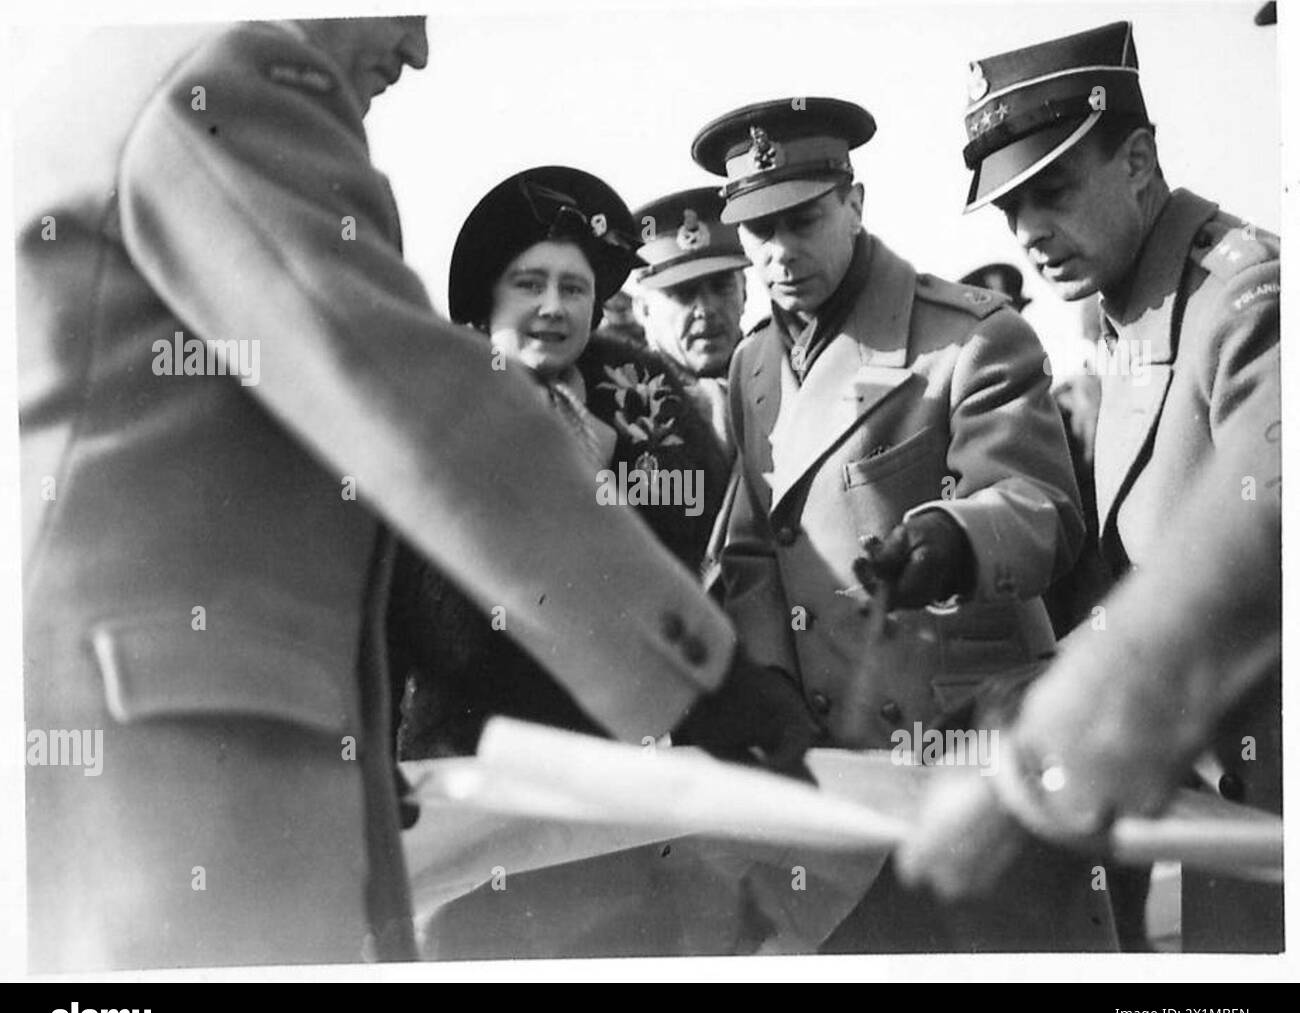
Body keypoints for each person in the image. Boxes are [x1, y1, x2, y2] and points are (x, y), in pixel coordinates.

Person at [18, 18, 809, 971]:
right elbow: (404, 395)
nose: (420, 50)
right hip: (182, 755)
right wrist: (698, 673)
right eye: (407, 7)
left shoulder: (100, 65)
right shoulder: (230, 73)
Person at [692, 97, 1112, 951]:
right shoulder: (751, 367)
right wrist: (769, 683)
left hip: (960, 752)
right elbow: (747, 550)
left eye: (804, 220)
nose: (780, 253)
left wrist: (955, 538)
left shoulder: (969, 337)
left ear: (855, 202)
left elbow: (1041, 508)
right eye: (758, 231)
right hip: (825, 762)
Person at [900, 20, 1282, 953]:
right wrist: (1029, 687)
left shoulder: (1248, 296)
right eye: (1009, 210)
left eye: (1054, 190)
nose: (1029, 231)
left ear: (1140, 161)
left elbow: (1270, 521)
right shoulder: (1135, 311)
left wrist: (1053, 747)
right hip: (1206, 802)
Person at [388, 166, 731, 757]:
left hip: (617, 758)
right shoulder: (421, 410)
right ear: (487, 296)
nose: (553, 307)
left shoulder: (646, 399)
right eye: (529, 284)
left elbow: (691, 578)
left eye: (573, 289)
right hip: (467, 759)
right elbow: (382, 629)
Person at [631, 186, 750, 459]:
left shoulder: (787, 379)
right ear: (643, 309)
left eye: (721, 287)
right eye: (683, 292)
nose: (706, 310)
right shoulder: (621, 405)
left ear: (745, 292)